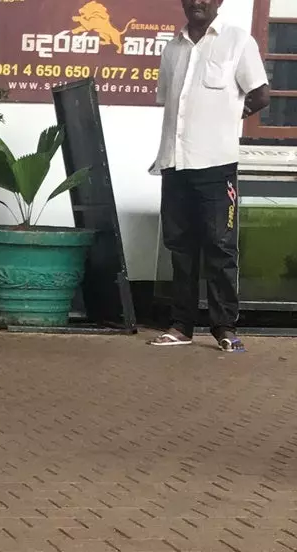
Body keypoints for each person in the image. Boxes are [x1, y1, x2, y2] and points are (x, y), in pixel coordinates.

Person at [147, 0, 270, 353]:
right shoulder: (172, 49)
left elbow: (261, 94)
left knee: (220, 247)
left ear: (218, 2)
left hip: (217, 165)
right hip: (175, 163)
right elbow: (170, 102)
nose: (198, 2)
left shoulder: (237, 41)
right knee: (180, 248)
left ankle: (225, 327)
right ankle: (181, 326)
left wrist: (231, 116)